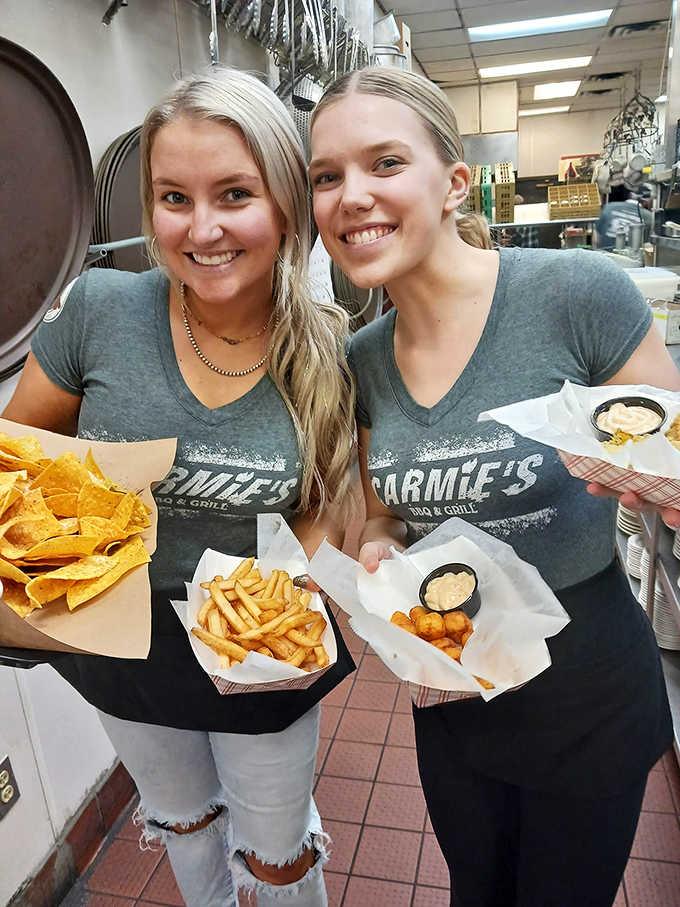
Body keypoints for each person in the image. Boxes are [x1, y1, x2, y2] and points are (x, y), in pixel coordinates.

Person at [309, 66, 680, 907]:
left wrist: (656, 485)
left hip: (587, 693)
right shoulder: (362, 360)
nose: (351, 196)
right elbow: (379, 515)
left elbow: (666, 442)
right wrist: (377, 552)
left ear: (455, 183)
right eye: (327, 176)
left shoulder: (575, 296)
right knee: (475, 891)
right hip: (456, 696)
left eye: (385, 163)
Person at [3, 67, 357, 907]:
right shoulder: (99, 308)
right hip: (120, 642)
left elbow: (323, 508)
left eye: (235, 193)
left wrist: (281, 599)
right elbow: (17, 464)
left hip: (258, 650)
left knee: (277, 856)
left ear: (285, 204)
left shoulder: (330, 347)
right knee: (186, 825)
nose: (202, 229)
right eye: (173, 197)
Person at [594, 183, 654, 250]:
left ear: (630, 195)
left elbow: (596, 237)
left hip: (603, 255)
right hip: (631, 258)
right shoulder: (649, 217)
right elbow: (647, 246)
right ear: (646, 201)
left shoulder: (609, 207)